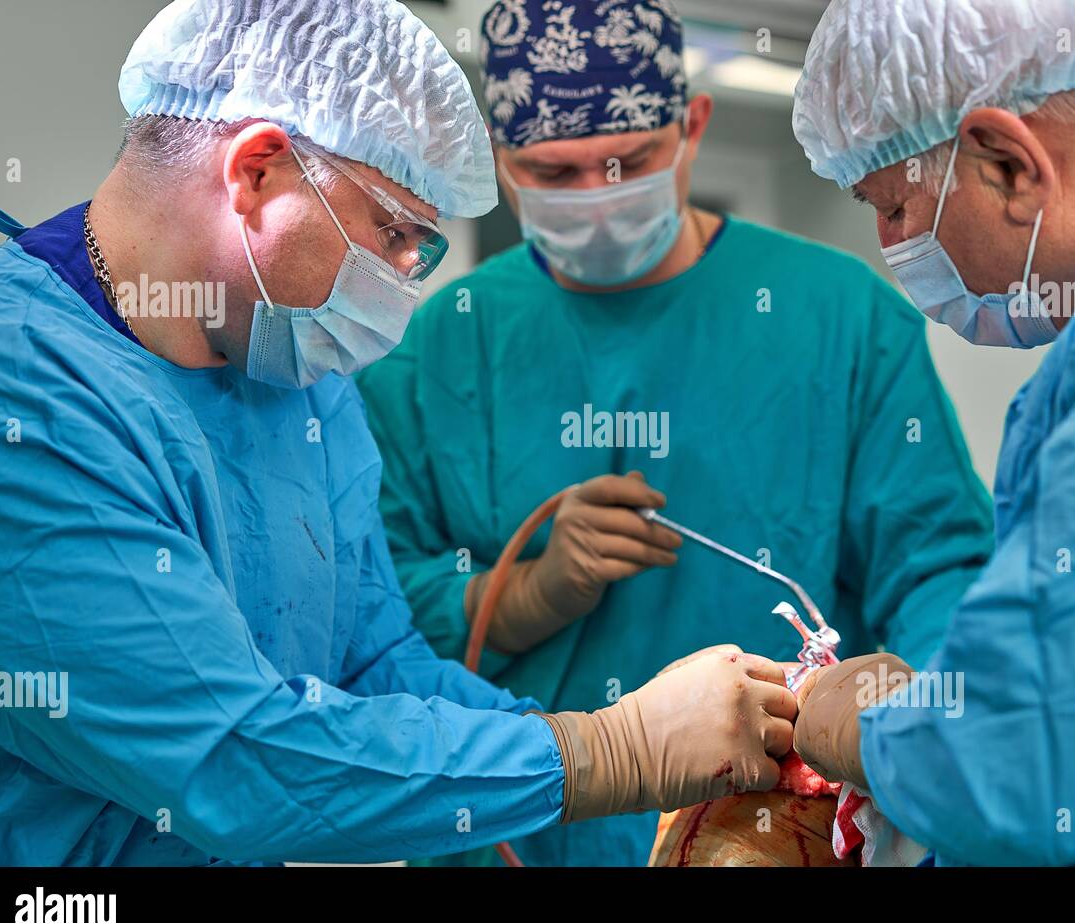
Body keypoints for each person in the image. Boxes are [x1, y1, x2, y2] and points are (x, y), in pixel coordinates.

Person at [0, 0, 799, 866]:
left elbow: (376, 662)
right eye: (394, 233)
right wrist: (608, 753)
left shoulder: (292, 374)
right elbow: (232, 761)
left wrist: (646, 773)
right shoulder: (9, 392)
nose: (404, 282)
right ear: (256, 171)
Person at [356, 0, 995, 866]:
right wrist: (522, 594)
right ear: (502, 164)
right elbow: (369, 617)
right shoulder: (440, 346)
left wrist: (908, 707)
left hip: (768, 836)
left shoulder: (842, 320)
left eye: (631, 165)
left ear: (691, 126)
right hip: (518, 838)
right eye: (557, 172)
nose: (598, 202)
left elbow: (942, 573)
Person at [790, 0, 1075, 865]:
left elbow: (1039, 771)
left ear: (1007, 161)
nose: (891, 247)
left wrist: (871, 728)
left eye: (890, 207)